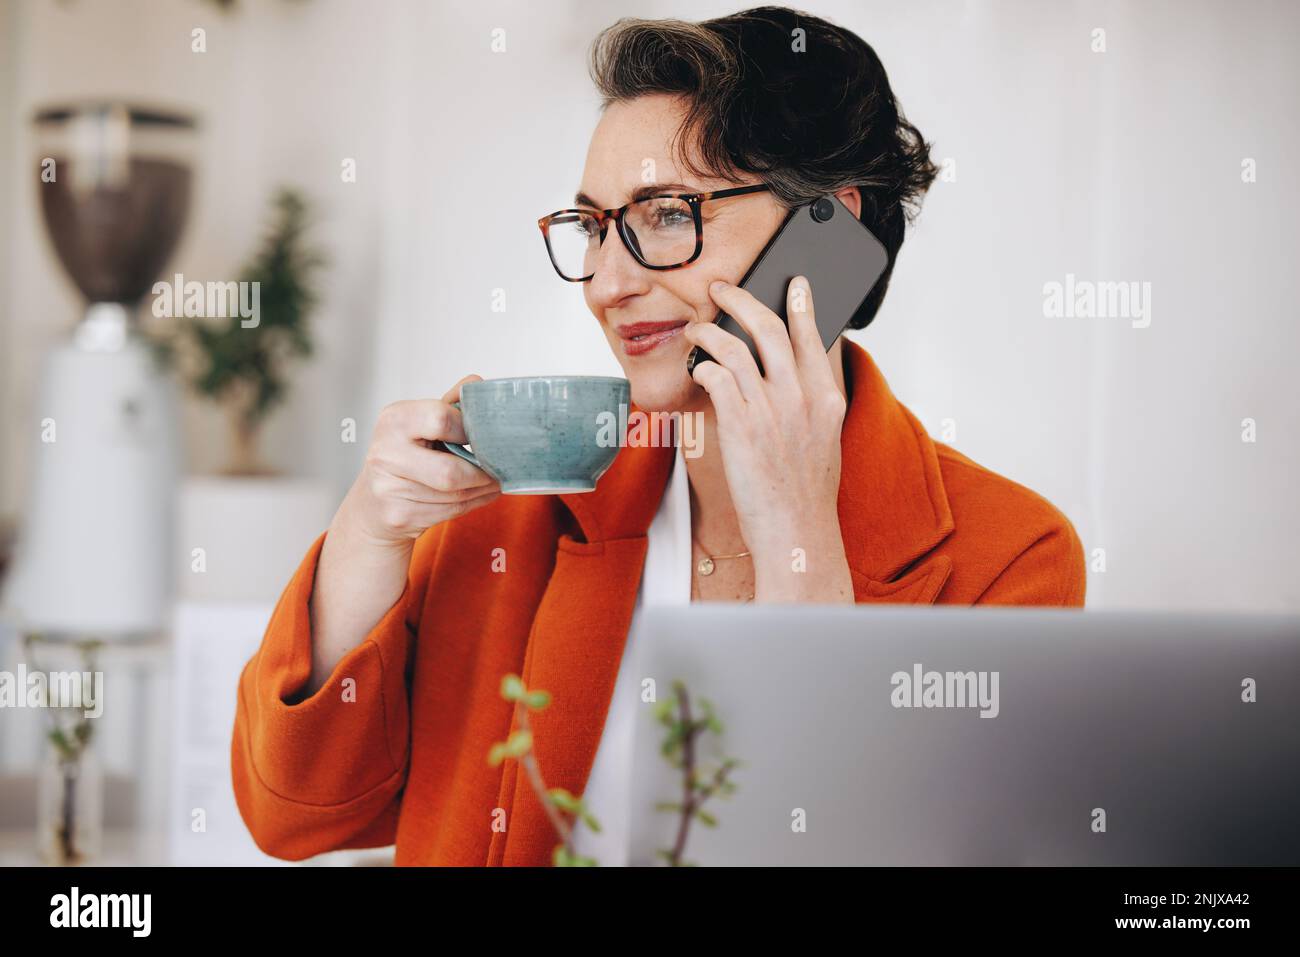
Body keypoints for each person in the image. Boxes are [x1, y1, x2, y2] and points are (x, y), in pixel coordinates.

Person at [232, 6, 1085, 866]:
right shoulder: (510, 515)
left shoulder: (1009, 559)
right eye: (595, 227)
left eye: (666, 215)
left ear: (827, 228)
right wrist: (367, 538)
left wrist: (797, 537)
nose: (607, 282)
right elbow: (296, 817)